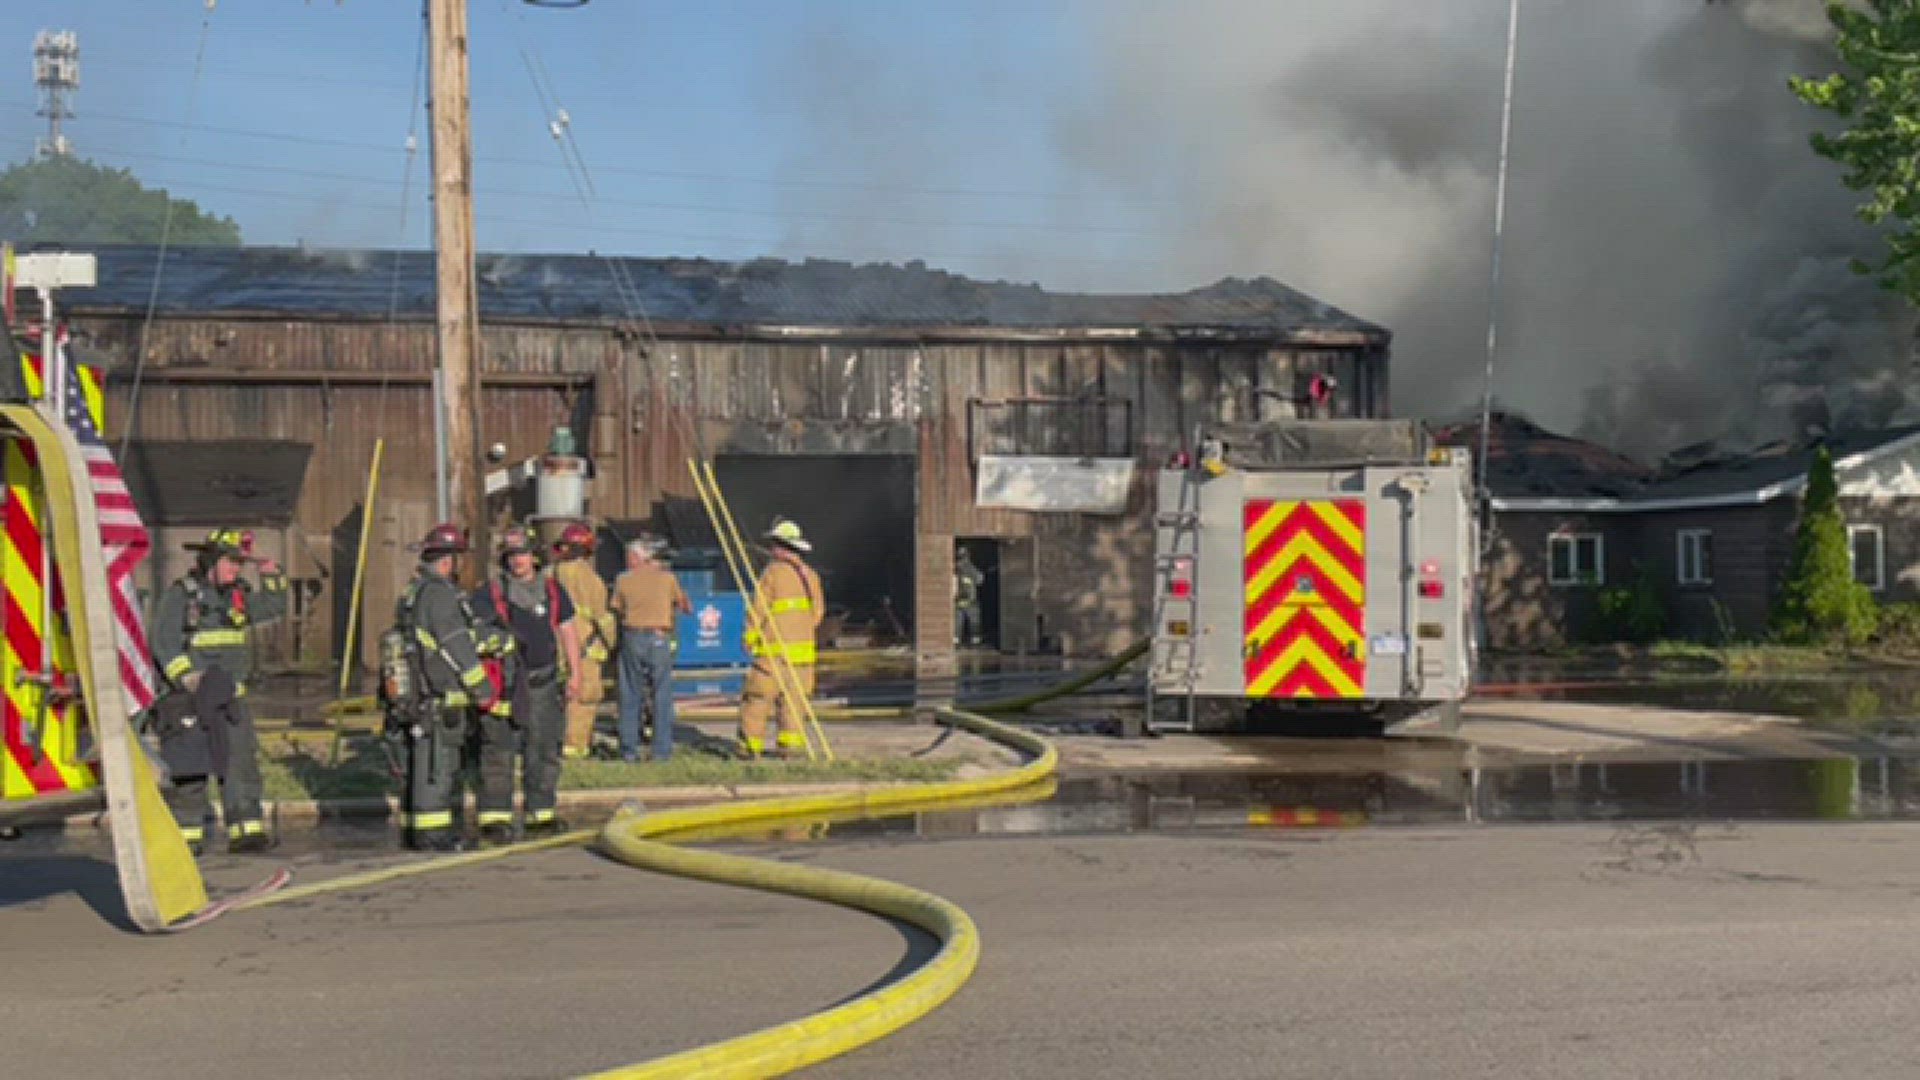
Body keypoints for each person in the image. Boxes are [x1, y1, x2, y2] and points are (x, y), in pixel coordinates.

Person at [150, 528, 288, 854]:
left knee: (240, 766)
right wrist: (187, 679)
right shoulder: (181, 596)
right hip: (191, 701)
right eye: (231, 562)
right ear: (211, 560)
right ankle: (186, 842)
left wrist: (271, 575)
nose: (236, 569)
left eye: (240, 563)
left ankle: (246, 833)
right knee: (191, 772)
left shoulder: (237, 597)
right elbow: (163, 642)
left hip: (230, 702)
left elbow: (271, 608)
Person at [388, 523, 501, 852]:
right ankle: (434, 835)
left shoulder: (414, 592)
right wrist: (480, 687)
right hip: (437, 697)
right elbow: (454, 644)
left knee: (419, 766)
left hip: (418, 696)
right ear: (448, 561)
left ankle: (415, 830)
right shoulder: (439, 594)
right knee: (438, 768)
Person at [471, 524, 580, 843]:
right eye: (512, 556)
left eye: (523, 554)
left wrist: (576, 672)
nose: (518, 561)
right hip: (504, 685)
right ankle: (495, 817)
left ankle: (541, 812)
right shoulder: (489, 594)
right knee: (498, 749)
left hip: (543, 682)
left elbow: (568, 630)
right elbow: (475, 635)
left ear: (535, 557)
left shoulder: (554, 591)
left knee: (544, 748)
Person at [737, 517, 824, 759]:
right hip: (803, 658)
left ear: (781, 547)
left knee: (757, 700)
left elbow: (759, 608)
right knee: (794, 705)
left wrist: (750, 637)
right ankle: (790, 749)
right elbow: (817, 615)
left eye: (774, 544)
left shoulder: (772, 573)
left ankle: (749, 748)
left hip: (773, 655)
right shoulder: (811, 576)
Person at [610, 536, 690, 763]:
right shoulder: (668, 579)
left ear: (637, 558)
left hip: (633, 636)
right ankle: (661, 751)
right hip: (659, 637)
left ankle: (629, 750)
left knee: (630, 694)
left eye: (629, 556)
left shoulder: (623, 580)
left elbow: (616, 608)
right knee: (662, 694)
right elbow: (686, 606)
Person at [551, 523, 614, 758]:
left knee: (560, 697)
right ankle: (576, 750)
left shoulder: (552, 574)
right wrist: (612, 642)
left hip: (556, 645)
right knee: (584, 697)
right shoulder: (590, 579)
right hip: (585, 645)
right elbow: (603, 618)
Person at [955, 547, 985, 647]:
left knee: (958, 622)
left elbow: (979, 580)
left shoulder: (955, 568)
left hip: (960, 600)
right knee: (973, 622)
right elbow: (980, 580)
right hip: (969, 600)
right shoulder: (970, 568)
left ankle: (957, 641)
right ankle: (974, 642)